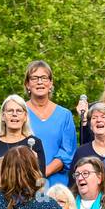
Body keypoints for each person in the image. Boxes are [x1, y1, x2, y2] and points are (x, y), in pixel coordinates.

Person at [24, 61, 78, 189]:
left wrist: (43, 173)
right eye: (34, 78)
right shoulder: (20, 112)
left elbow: (67, 152)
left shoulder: (64, 115)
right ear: (27, 84)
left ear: (51, 83)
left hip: (57, 184)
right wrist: (32, 176)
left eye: (44, 78)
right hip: (26, 182)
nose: (40, 82)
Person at [0, 94, 47, 174]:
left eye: (19, 111)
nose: (14, 114)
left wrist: (35, 164)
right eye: (10, 111)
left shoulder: (34, 143)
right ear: (3, 116)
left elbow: (41, 180)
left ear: (25, 117)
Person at [70, 103, 105, 176]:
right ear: (90, 125)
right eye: (94, 117)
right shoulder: (81, 152)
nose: (99, 120)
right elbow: (73, 183)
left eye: (103, 117)